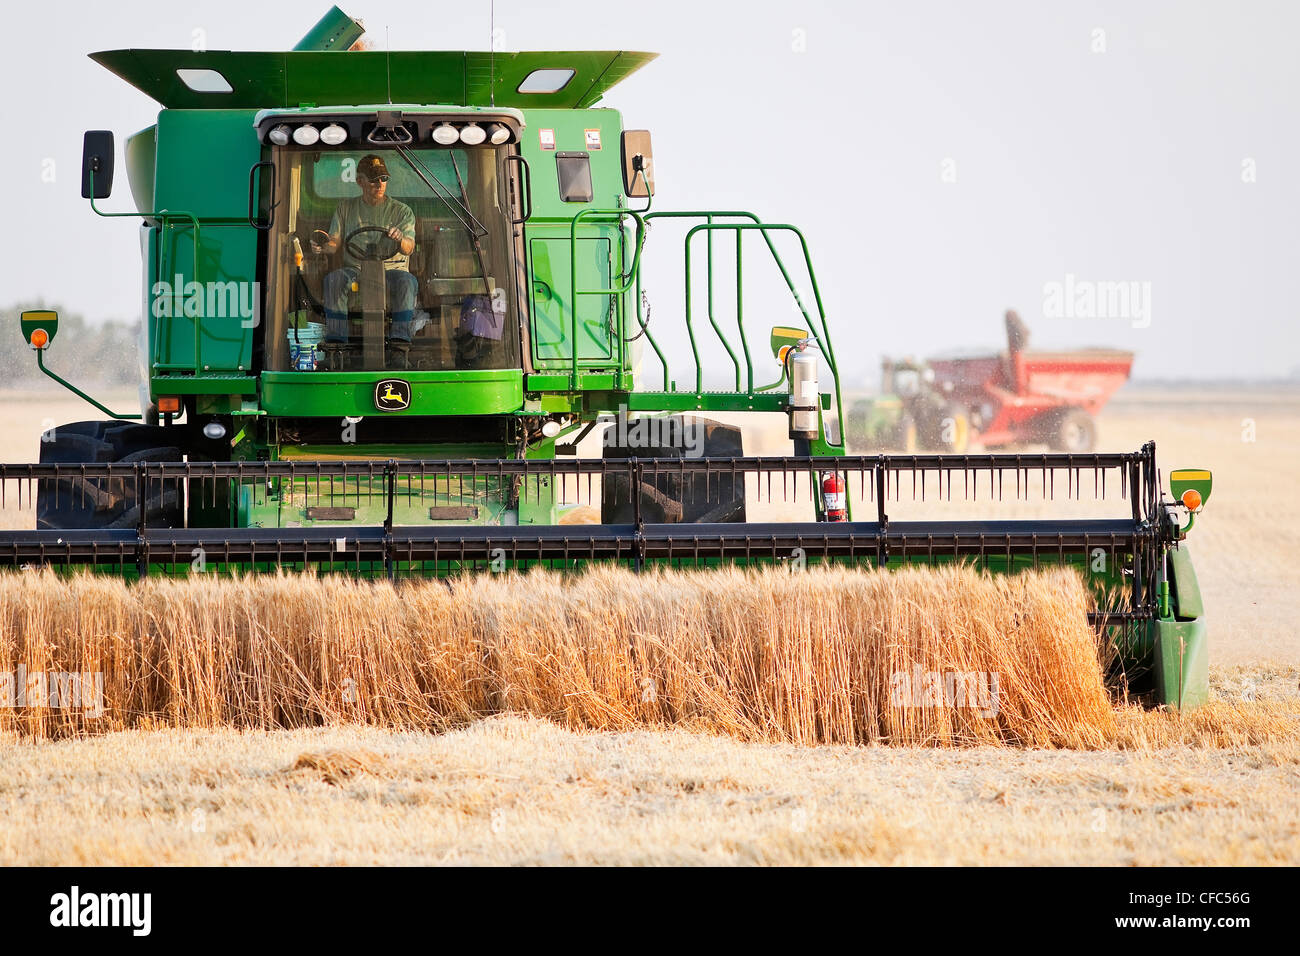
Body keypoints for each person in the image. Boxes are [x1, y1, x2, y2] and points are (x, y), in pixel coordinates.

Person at [311, 154, 419, 347]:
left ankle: (400, 343)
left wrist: (400, 238)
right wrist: (323, 247)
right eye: (373, 180)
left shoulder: (402, 211)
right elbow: (334, 241)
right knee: (334, 280)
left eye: (383, 179)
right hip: (356, 271)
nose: (379, 184)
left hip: (392, 270)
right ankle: (337, 344)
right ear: (359, 181)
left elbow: (409, 247)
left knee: (407, 282)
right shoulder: (345, 208)